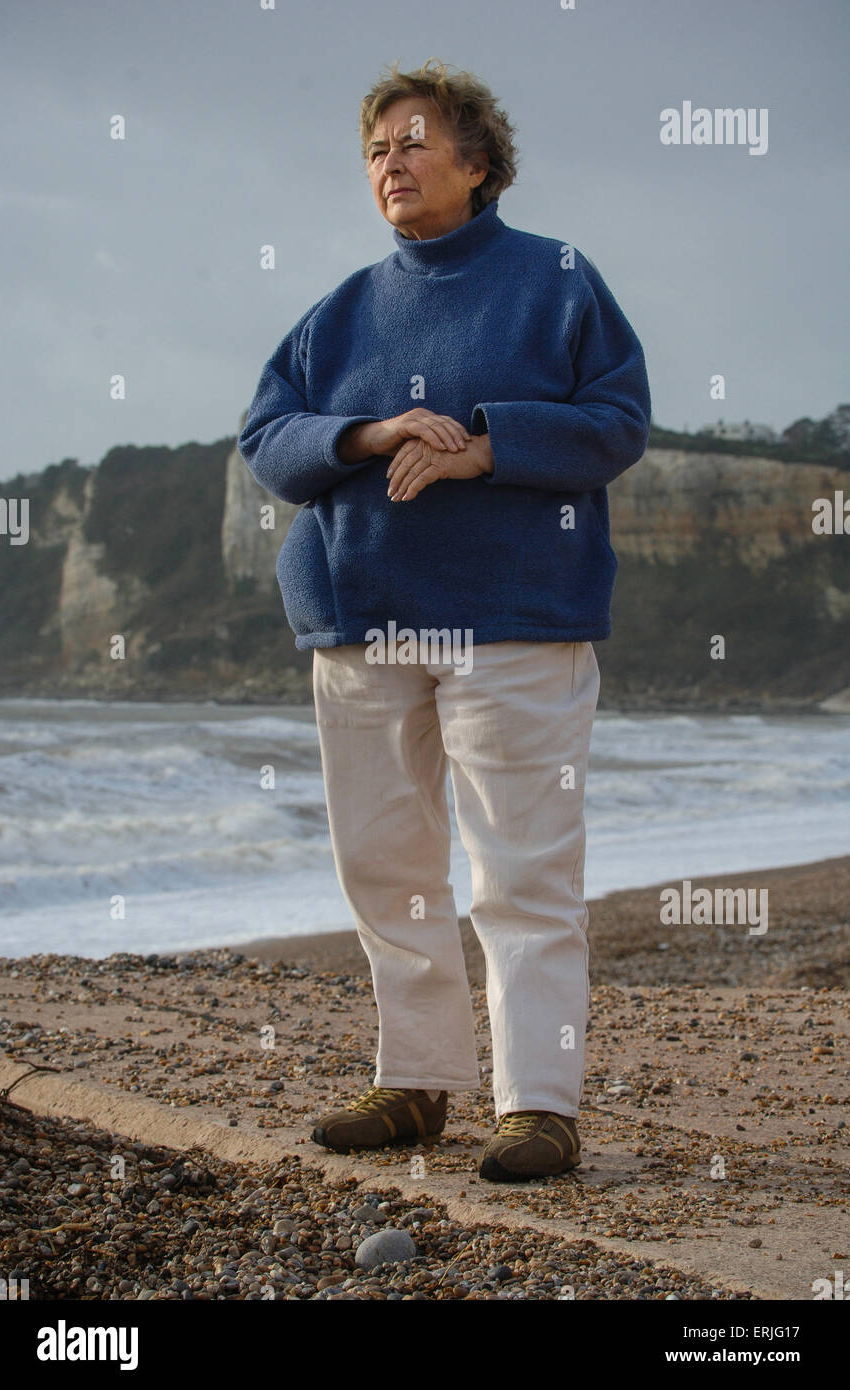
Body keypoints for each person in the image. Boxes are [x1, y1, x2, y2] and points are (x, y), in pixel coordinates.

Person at [238, 58, 651, 1182]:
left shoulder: (557, 283)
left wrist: (484, 441)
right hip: (359, 619)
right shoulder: (340, 311)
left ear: (477, 163)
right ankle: (416, 1084)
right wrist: (367, 435)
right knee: (385, 864)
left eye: (413, 141)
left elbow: (617, 418)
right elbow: (266, 439)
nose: (391, 161)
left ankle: (539, 1106)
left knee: (521, 871)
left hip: (514, 618)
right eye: (375, 149)